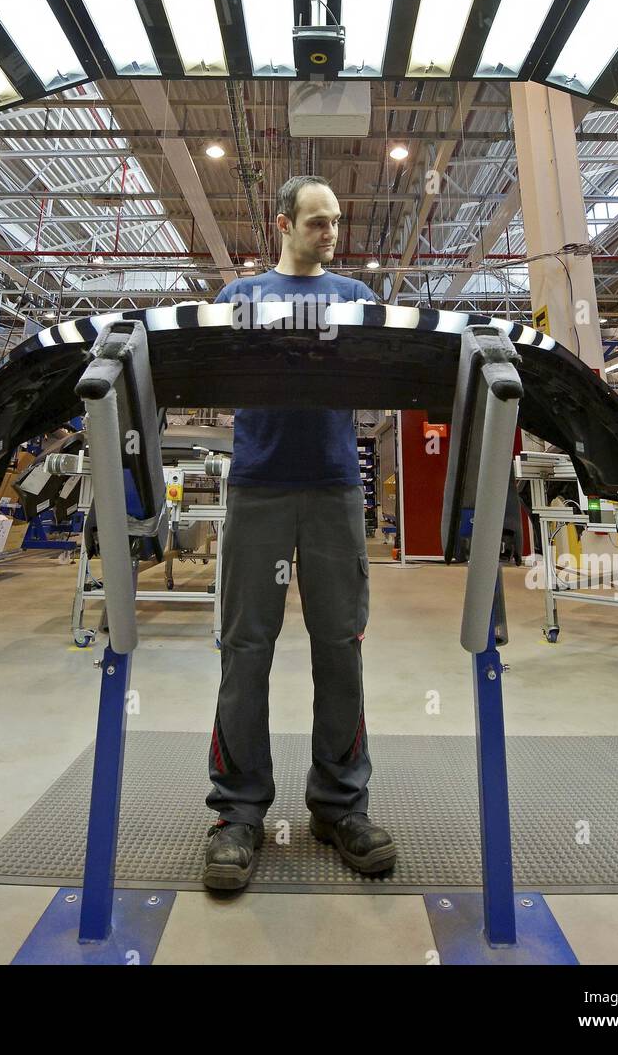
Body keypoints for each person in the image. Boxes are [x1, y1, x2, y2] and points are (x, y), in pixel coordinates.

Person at [203, 174, 396, 890]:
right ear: (281, 223)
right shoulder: (239, 299)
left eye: (336, 221)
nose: (330, 233)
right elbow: (217, 383)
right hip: (256, 486)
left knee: (339, 647)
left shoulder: (355, 300)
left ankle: (339, 806)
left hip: (334, 489)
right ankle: (237, 814)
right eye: (316, 222)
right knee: (244, 649)